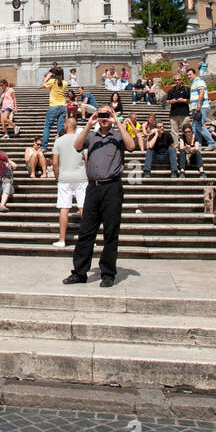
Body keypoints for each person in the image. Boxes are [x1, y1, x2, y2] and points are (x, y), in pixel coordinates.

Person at [64, 106, 135, 288]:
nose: (104, 118)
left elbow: (132, 146)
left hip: (112, 187)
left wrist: (117, 122)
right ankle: (80, 272)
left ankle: (108, 273)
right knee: (86, 231)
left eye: (107, 114)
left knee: (111, 232)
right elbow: (77, 145)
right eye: (101, 114)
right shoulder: (91, 135)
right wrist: (89, 123)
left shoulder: (118, 134)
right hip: (93, 188)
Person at [51, 117, 86, 247]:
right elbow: (86, 158)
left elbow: (55, 162)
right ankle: (88, 240)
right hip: (81, 176)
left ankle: (62, 240)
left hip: (64, 177)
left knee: (64, 208)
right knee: (83, 208)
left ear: (66, 125)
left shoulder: (58, 141)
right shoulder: (81, 139)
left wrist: (57, 176)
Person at [41, 66, 67, 150]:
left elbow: (41, 86)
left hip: (53, 106)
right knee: (59, 127)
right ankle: (60, 146)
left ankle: (44, 147)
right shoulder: (65, 83)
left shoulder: (52, 81)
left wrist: (47, 77)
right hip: (62, 106)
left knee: (47, 127)